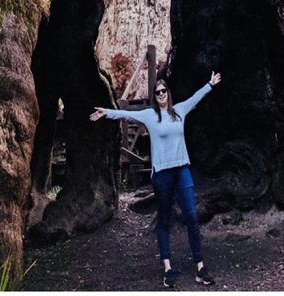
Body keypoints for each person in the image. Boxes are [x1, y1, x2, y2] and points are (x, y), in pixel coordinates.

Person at [92, 71, 221, 288]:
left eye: (163, 91)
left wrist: (210, 83)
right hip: (162, 174)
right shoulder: (150, 116)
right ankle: (168, 267)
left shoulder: (179, 111)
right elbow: (125, 114)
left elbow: (196, 98)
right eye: (157, 92)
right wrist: (106, 112)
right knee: (164, 219)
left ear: (168, 93)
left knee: (191, 215)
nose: (161, 94)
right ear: (155, 96)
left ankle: (200, 267)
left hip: (181, 170)